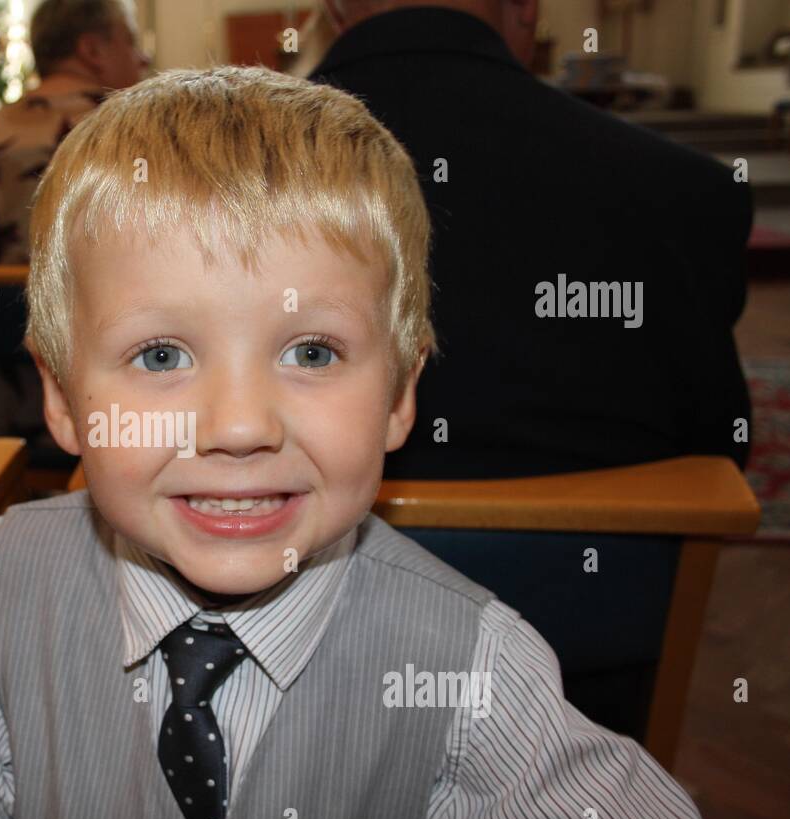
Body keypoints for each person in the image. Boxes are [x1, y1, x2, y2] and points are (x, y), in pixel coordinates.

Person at [0, 67, 716, 819]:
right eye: (159, 356)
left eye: (311, 352)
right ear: (64, 401)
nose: (238, 428)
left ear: (401, 397)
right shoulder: (5, 602)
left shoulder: (468, 668)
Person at [307, 0, 751, 480]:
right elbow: (720, 453)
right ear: (525, 7)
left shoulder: (219, 178)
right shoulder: (685, 192)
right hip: (604, 551)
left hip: (292, 547)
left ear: (333, 8)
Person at [0, 0, 150, 448]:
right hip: (95, 398)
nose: (142, 57)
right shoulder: (129, 129)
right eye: (130, 41)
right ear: (92, 49)